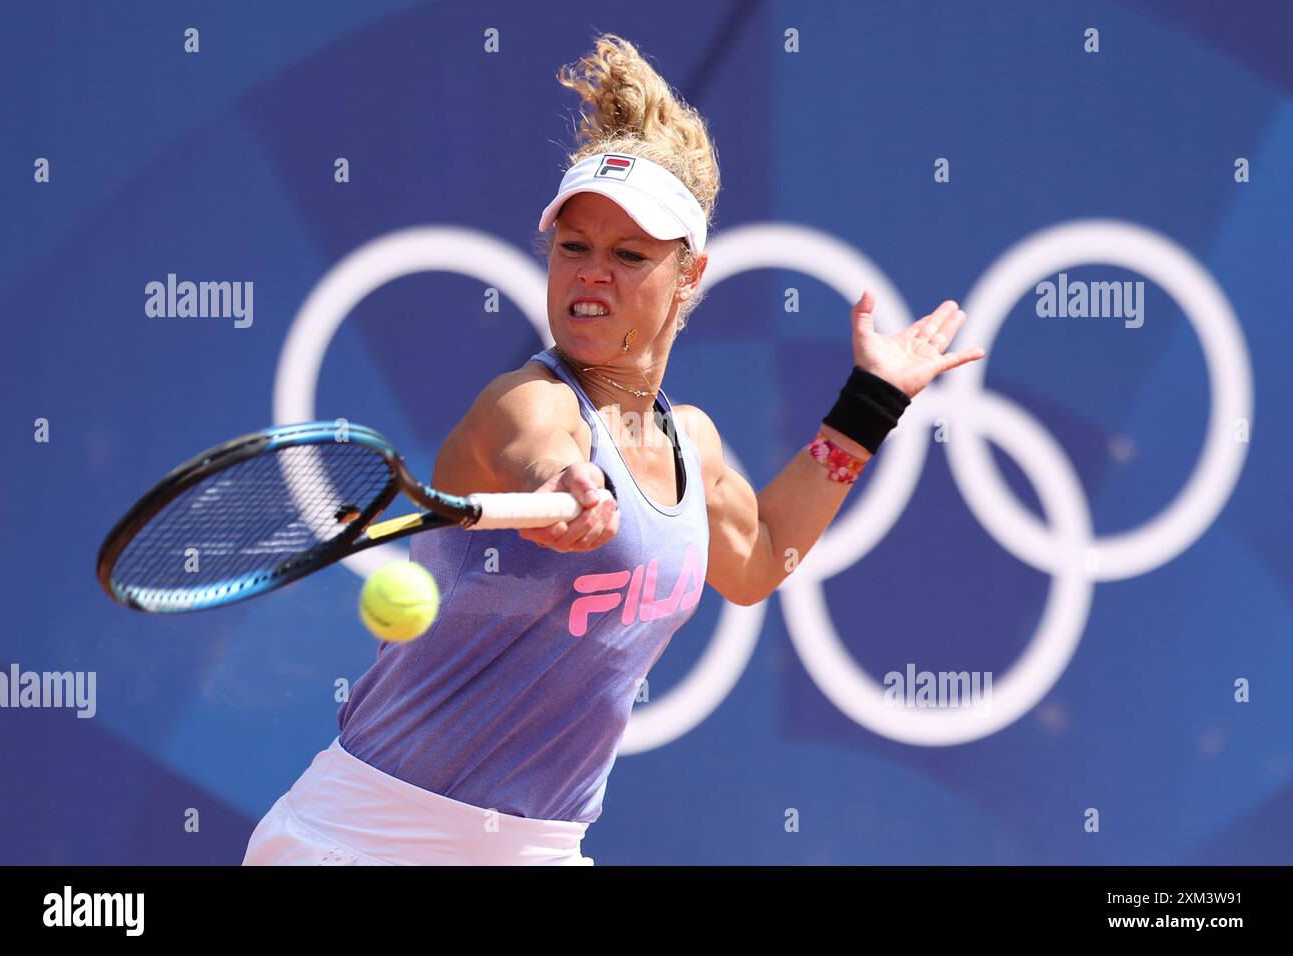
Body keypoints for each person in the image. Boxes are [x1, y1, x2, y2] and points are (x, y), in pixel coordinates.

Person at [242, 33, 983, 866]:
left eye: (629, 255)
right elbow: (543, 450)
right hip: (360, 844)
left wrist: (869, 407)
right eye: (573, 248)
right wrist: (568, 487)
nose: (591, 274)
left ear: (690, 273)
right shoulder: (523, 401)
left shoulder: (691, 444)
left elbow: (764, 557)